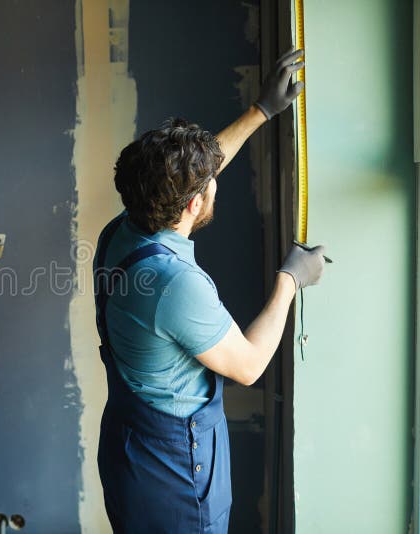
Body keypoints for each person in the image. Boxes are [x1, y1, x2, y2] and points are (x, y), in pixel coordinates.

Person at [94, 49, 326, 533]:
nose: (214, 183)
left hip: (129, 449)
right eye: (209, 184)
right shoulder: (175, 284)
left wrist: (260, 111)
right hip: (174, 473)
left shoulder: (122, 230)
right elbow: (247, 365)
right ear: (195, 203)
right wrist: (291, 278)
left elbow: (188, 179)